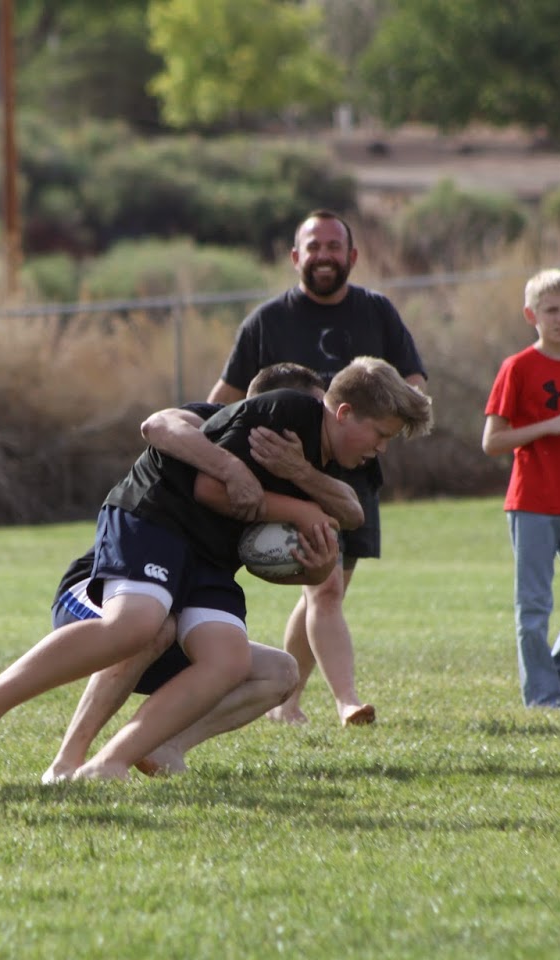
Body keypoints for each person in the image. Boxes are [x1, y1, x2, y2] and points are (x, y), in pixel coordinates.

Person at [0, 356, 433, 781]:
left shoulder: (328, 460)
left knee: (230, 660)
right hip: (158, 517)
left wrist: (314, 552)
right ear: (338, 412)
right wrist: (273, 493)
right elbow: (203, 483)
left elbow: (348, 513)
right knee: (140, 620)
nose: (383, 448)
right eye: (382, 435)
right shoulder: (285, 415)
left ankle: (111, 762)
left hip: (206, 559)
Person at [41, 363, 363, 782]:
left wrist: (313, 570)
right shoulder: (210, 429)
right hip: (98, 599)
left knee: (278, 671)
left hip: (176, 617)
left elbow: (322, 529)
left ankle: (162, 745)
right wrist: (231, 468)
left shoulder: (288, 478)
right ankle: (66, 762)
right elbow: (158, 424)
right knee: (152, 622)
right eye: (310, 412)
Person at [208, 209, 429, 727]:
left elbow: (413, 384)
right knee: (323, 589)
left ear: (352, 256)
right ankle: (347, 700)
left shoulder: (377, 312)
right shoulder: (267, 321)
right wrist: (214, 453)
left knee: (323, 591)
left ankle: (286, 701)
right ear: (295, 257)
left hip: (355, 475)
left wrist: (383, 428)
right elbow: (223, 400)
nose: (324, 256)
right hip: (285, 474)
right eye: (314, 247)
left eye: (334, 247)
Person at [482, 269, 560, 709]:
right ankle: (543, 698)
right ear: (530, 314)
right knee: (534, 606)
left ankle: (552, 678)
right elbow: (492, 441)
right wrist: (548, 427)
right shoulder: (517, 368)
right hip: (532, 501)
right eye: (550, 310)